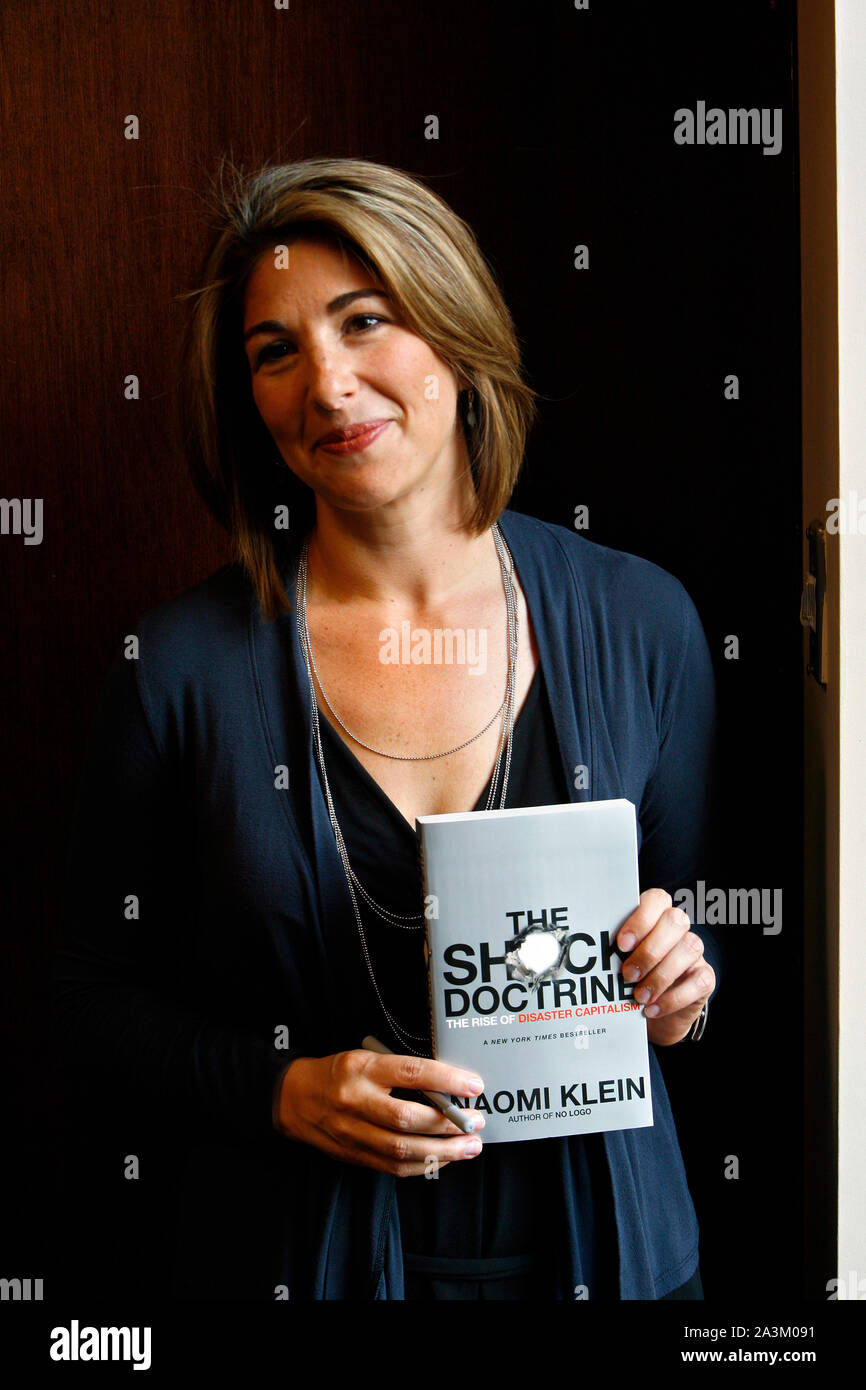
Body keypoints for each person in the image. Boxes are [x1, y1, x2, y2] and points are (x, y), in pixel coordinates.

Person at [54, 156, 721, 1301]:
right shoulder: (176, 667)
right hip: (294, 1263)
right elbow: (84, 1002)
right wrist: (275, 1087)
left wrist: (684, 997)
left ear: (455, 334)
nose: (327, 383)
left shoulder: (641, 618)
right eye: (275, 351)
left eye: (365, 320)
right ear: (248, 403)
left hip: (613, 1256)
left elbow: (704, 947)